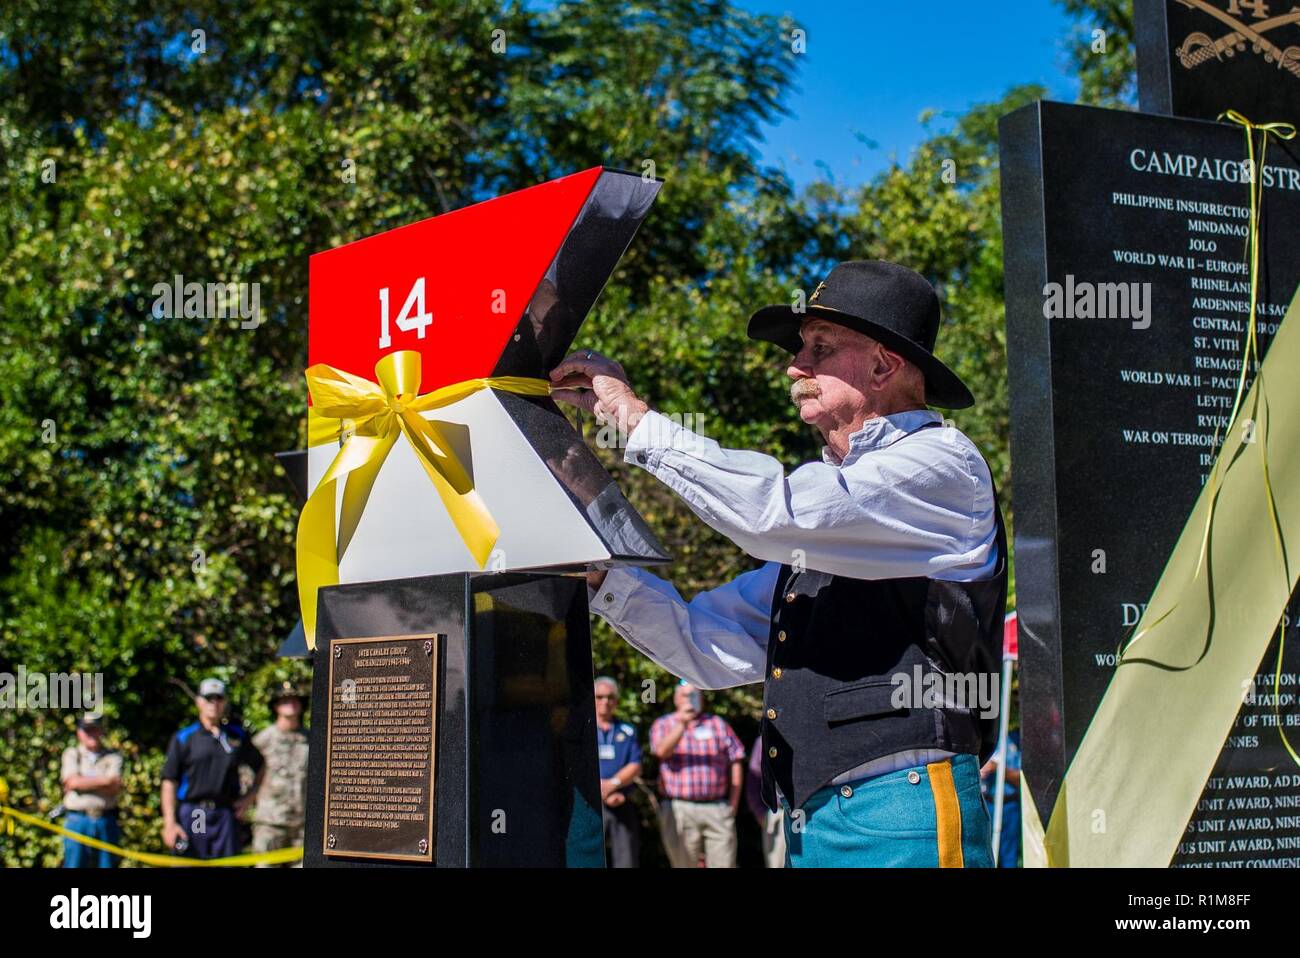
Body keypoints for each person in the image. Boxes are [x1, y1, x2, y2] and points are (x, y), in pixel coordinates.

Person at [551, 261, 1007, 867]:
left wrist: (631, 416)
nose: (795, 367)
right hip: (811, 817)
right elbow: (707, 645)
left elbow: (771, 513)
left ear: (883, 364)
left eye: (819, 348)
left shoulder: (942, 462)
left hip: (902, 813)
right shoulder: (834, 510)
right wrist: (602, 574)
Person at [161, 677, 264, 860]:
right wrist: (169, 823)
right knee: (192, 862)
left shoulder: (236, 736)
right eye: (209, 698)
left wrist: (250, 797)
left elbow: (261, 765)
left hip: (225, 813)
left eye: (219, 698)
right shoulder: (185, 737)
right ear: (199, 701)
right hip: (196, 813)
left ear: (224, 702)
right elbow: (169, 780)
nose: (214, 703)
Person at [649, 682, 745, 868]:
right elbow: (661, 751)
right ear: (676, 699)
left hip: (717, 808)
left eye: (695, 695)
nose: (690, 700)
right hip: (679, 809)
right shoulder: (663, 724)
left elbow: (736, 759)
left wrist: (733, 803)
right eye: (686, 695)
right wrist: (683, 724)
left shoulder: (717, 724)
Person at [251, 681, 310, 867]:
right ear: (276, 706)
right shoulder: (264, 739)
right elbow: (247, 775)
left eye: (294, 700)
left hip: (302, 824)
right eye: (285, 700)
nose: (291, 704)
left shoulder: (311, 739)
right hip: (270, 822)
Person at [60, 712, 124, 868]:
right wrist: (104, 781)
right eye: (87, 730)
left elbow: (114, 786)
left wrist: (83, 782)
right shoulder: (72, 754)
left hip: (105, 819)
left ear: (101, 731)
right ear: (79, 732)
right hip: (77, 820)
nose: (91, 734)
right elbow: (73, 783)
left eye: (95, 729)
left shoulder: (113, 757)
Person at [593, 676, 642, 868]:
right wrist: (598, 790)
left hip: (620, 801)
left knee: (626, 859)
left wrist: (613, 786)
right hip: (591, 805)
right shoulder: (582, 729)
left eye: (610, 697)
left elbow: (636, 764)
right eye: (599, 696)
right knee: (589, 857)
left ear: (616, 701)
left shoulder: (627, 730)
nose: (605, 701)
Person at [981, 727, 1021, 867]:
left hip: (1010, 806)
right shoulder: (981, 736)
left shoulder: (1015, 738)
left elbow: (1020, 780)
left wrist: (998, 768)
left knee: (1009, 858)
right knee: (984, 855)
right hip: (986, 804)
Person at [745, 736, 785, 868]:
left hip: (809, 813)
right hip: (777, 814)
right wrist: (761, 813)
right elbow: (753, 781)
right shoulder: (764, 739)